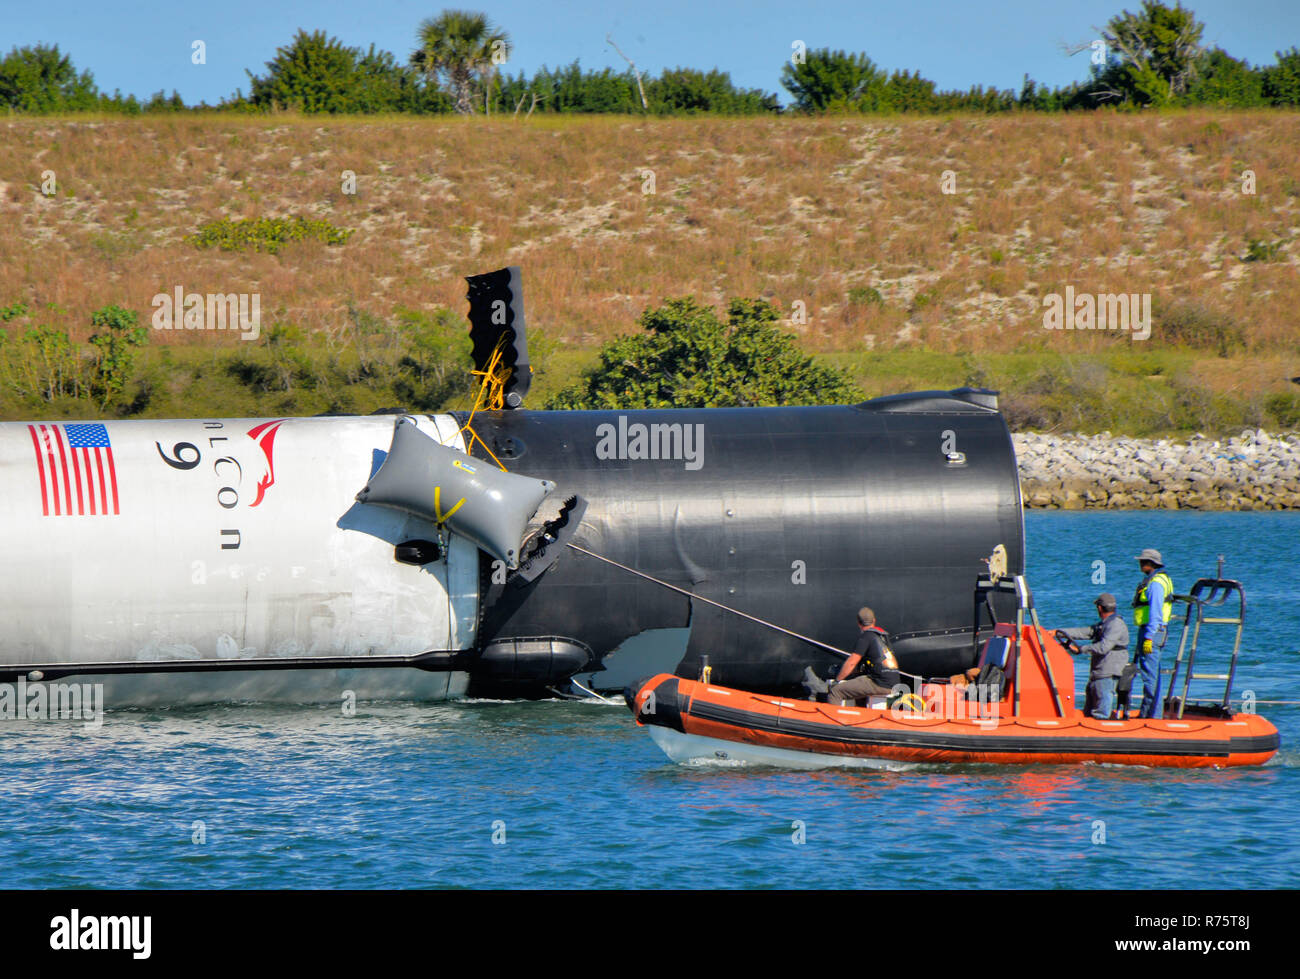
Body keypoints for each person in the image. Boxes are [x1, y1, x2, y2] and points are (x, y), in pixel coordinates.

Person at [802, 607, 900, 706]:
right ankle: (860, 718)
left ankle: (833, 719)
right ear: (874, 620)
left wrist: (837, 680)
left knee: (836, 692)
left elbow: (852, 663)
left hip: (880, 683)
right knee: (858, 686)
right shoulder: (883, 636)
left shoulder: (866, 637)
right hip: (894, 682)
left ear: (859, 623)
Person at [1059, 594, 1130, 719]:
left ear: (1099, 608)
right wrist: (1060, 632)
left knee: (1101, 711)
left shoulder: (1115, 624)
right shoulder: (1104, 624)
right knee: (1089, 709)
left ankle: (1100, 729)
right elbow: (1085, 632)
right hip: (1098, 673)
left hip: (1107, 672)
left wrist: (1081, 649)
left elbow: (1103, 647)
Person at [1132, 548, 1174, 719]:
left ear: (1150, 563)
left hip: (1152, 632)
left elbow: (1155, 613)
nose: (1140, 564)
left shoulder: (1155, 583)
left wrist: (1149, 637)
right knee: (1153, 673)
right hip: (1157, 632)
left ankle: (1150, 715)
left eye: (1143, 561)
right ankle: (1152, 713)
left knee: (1149, 675)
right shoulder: (1161, 579)